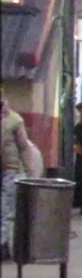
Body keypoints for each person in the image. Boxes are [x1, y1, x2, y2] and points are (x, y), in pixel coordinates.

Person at [1, 94, 35, 261]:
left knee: (5, 209)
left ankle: (3, 245)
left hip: (10, 170)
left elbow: (24, 147)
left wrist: (30, 172)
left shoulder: (14, 120)